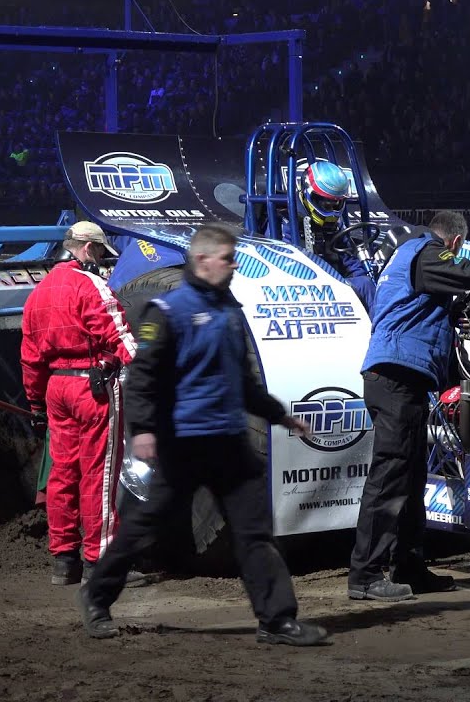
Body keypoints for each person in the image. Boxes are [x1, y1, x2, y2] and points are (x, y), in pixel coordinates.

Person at [77, 223, 328, 646]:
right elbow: (142, 378)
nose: (232, 266)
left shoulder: (230, 311)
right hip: (184, 443)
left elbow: (243, 383)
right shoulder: (167, 311)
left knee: (254, 533)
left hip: (230, 442)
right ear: (204, 260)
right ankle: (97, 596)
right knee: (141, 525)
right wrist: (143, 431)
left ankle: (277, 621)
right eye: (227, 259)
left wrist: (280, 416)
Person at [350, 211, 470, 601]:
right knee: (389, 478)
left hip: (398, 377)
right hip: (396, 378)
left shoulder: (408, 257)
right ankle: (365, 575)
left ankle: (409, 566)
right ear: (455, 243)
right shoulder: (428, 254)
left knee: (408, 479)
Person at [21, 221, 137, 586]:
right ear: (87, 248)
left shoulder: (38, 294)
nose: (102, 261)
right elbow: (118, 333)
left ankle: (63, 561)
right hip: (93, 387)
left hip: (56, 389)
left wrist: (36, 404)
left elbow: (29, 356)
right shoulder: (90, 285)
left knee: (62, 474)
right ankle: (100, 563)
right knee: (99, 474)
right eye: (101, 252)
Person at [298, 160, 377, 310]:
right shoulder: (286, 220)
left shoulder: (336, 224)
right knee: (365, 286)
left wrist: (363, 277)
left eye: (336, 204)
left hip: (332, 282)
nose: (332, 209)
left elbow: (350, 260)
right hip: (301, 285)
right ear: (310, 196)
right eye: (326, 204)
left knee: (366, 282)